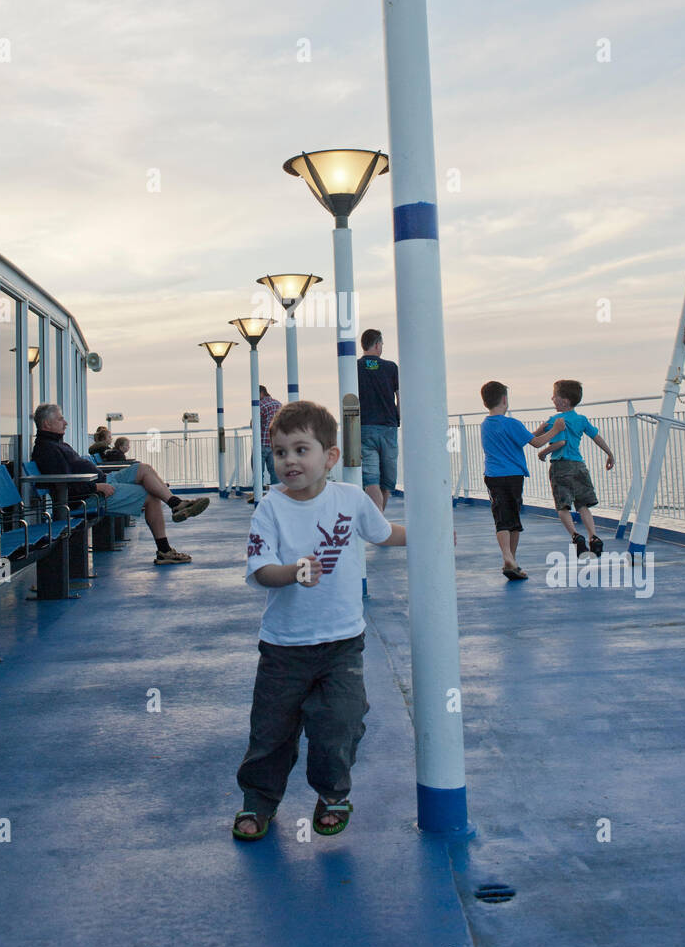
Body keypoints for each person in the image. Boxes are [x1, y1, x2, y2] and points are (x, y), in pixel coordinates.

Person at [232, 399, 406, 842]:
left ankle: (332, 794)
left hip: (343, 643)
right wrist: (294, 573)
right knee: (271, 731)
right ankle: (258, 800)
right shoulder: (269, 509)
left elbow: (384, 535)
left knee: (341, 723)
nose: (289, 460)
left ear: (329, 457)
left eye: (300, 450)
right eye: (280, 452)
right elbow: (261, 571)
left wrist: (434, 533)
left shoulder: (350, 498)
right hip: (283, 648)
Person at [32, 403, 208, 565]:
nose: (66, 422)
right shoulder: (47, 450)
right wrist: (96, 487)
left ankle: (176, 504)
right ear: (47, 424)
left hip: (102, 481)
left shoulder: (56, 444)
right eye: (60, 419)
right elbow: (65, 484)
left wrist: (100, 481)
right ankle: (164, 550)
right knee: (150, 495)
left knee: (143, 469)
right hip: (89, 496)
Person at [479, 381, 566, 580]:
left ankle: (511, 562)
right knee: (513, 520)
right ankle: (510, 558)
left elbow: (522, 438)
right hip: (513, 476)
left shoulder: (486, 424)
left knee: (501, 517)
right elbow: (535, 444)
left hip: (493, 476)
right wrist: (555, 430)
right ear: (504, 399)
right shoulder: (512, 423)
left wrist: (538, 430)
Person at [535, 380, 616, 557]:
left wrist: (543, 452)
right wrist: (609, 453)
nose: (552, 398)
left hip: (561, 465)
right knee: (583, 505)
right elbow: (596, 437)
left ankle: (575, 535)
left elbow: (557, 443)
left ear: (564, 401)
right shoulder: (581, 419)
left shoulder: (555, 420)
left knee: (562, 506)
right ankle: (593, 536)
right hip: (579, 466)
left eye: (555, 395)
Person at [357, 329, 399, 512]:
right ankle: (379, 520)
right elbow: (400, 396)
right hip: (388, 428)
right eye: (381, 344)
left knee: (371, 478)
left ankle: (377, 520)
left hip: (364, 427)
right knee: (387, 480)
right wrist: (398, 417)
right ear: (376, 344)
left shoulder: (354, 367)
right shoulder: (391, 367)